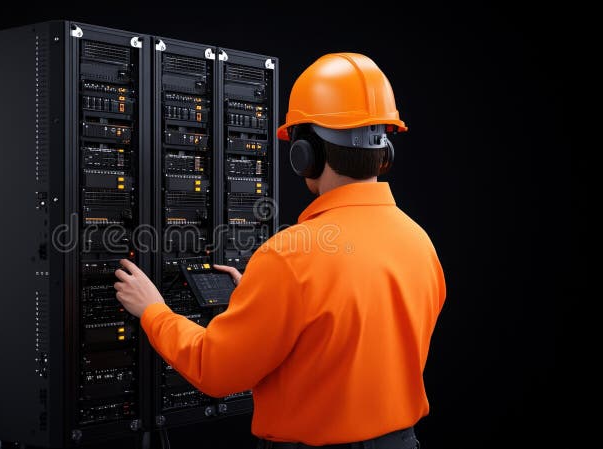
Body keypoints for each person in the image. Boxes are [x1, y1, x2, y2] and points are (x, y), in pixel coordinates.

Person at [114, 53, 445, 449]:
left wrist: (154, 311)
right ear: (384, 149)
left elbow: (215, 371)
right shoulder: (419, 242)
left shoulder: (290, 255)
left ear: (305, 153)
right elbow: (352, 336)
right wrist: (263, 299)